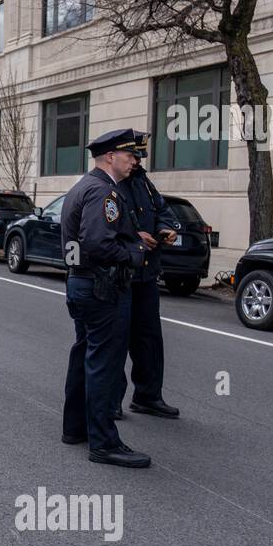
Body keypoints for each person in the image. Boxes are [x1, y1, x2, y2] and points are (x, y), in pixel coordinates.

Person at [60, 128, 152, 468]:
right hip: (102, 289)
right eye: (131, 156)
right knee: (103, 364)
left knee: (84, 355)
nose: (135, 162)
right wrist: (137, 248)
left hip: (81, 284)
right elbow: (98, 244)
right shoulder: (105, 193)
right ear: (111, 156)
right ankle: (104, 442)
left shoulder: (83, 187)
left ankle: (76, 427)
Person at [115, 145, 181, 420]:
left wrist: (166, 229)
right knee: (116, 340)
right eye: (132, 156)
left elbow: (163, 211)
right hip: (122, 274)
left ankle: (148, 396)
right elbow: (105, 226)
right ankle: (110, 400)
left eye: (139, 157)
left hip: (147, 273)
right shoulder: (109, 183)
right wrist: (135, 235)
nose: (136, 161)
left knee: (150, 340)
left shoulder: (144, 182)